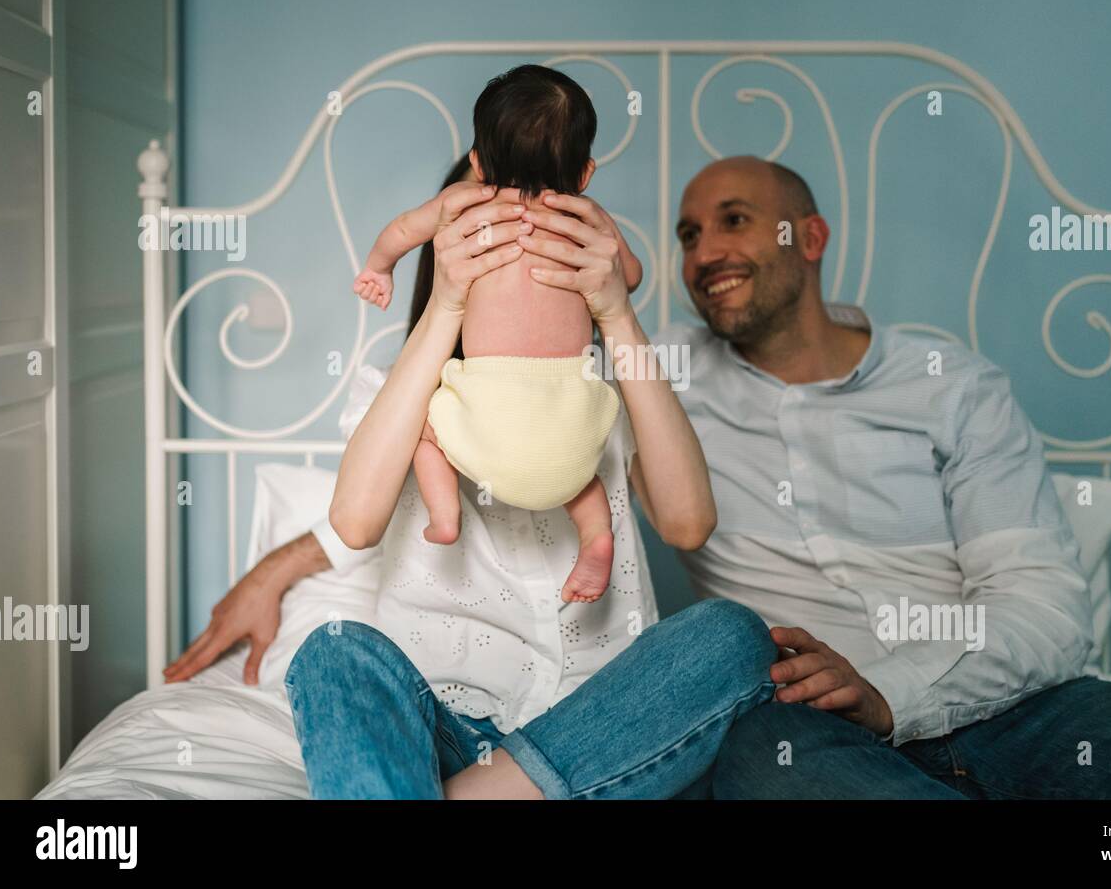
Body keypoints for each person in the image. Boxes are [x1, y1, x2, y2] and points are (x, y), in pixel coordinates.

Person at [656, 154, 1111, 798]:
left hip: (1016, 707)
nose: (705, 253)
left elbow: (1044, 607)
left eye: (734, 220)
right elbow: (556, 389)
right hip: (808, 726)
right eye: (688, 236)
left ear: (810, 237)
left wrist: (892, 691)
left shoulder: (953, 387)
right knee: (769, 762)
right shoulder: (659, 380)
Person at [167, 154, 777, 800]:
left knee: (733, 636)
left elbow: (689, 521)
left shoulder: (598, 399)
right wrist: (446, 304)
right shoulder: (396, 393)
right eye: (482, 233)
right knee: (334, 652)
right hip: (454, 728)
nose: (508, 249)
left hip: (600, 727)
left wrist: (616, 313)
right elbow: (354, 520)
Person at [351, 65, 642, 603]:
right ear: (584, 173)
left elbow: (399, 232)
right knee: (582, 476)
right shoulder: (587, 217)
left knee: (426, 432)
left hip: (489, 404)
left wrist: (378, 268)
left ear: (479, 164)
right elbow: (628, 276)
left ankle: (444, 513)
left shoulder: (464, 206)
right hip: (568, 405)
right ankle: (597, 537)